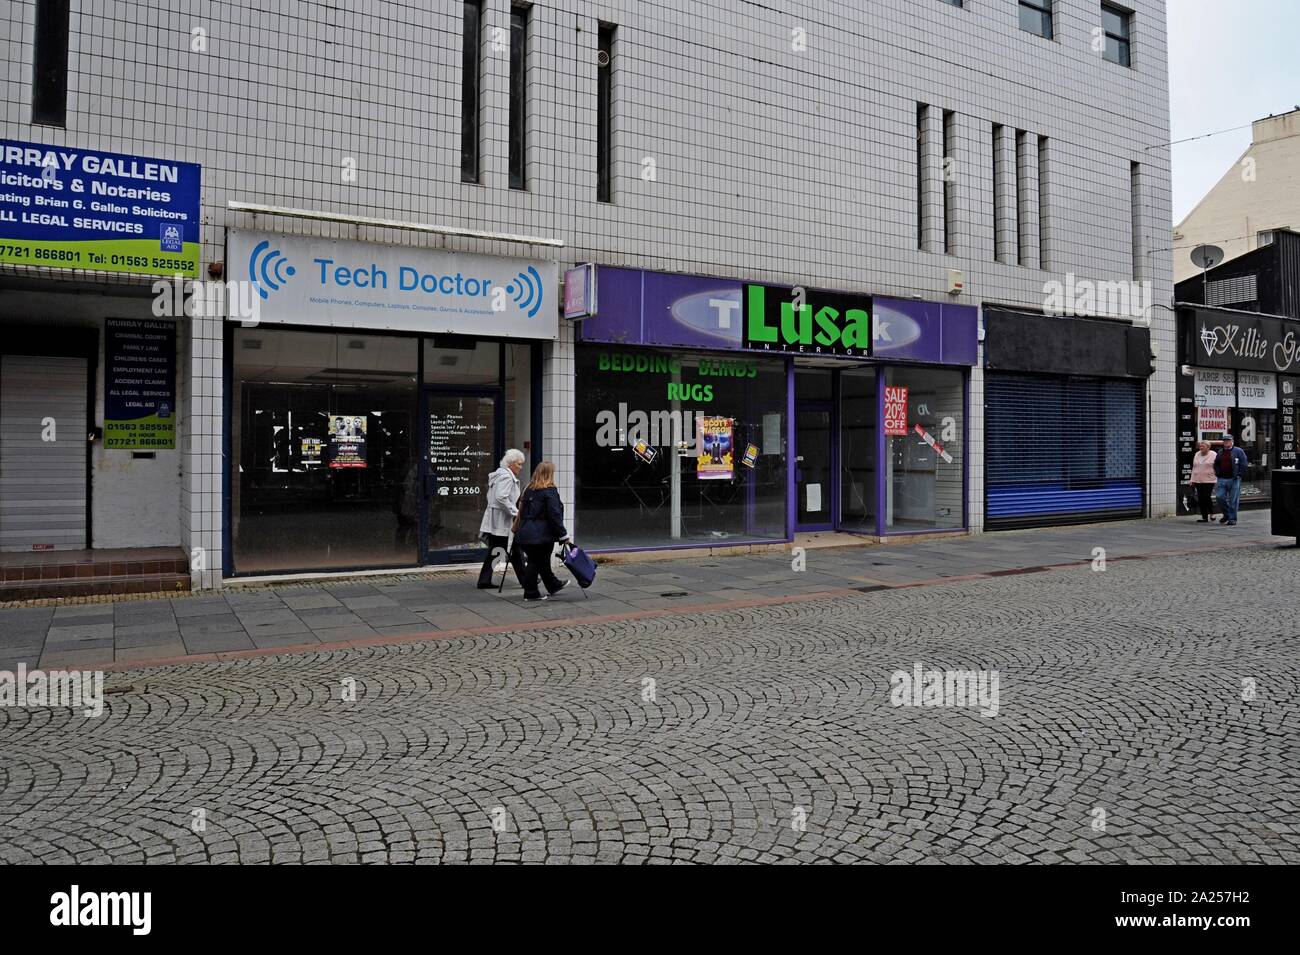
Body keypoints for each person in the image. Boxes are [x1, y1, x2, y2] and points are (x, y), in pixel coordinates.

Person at [514, 461, 572, 602]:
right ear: (549, 474)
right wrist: (563, 534)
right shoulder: (549, 491)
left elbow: (518, 506)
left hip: (524, 531)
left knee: (542, 560)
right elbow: (554, 514)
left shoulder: (528, 489)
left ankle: (553, 584)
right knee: (535, 562)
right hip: (541, 534)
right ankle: (531, 592)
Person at [477, 449, 528, 588]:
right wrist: (515, 512)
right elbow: (500, 497)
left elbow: (492, 497)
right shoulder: (506, 476)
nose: (521, 467)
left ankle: (484, 580)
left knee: (497, 550)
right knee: (515, 550)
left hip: (496, 521)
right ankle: (527, 581)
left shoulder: (499, 475)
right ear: (510, 464)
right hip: (502, 522)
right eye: (519, 464)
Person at [1213, 433, 1249, 526]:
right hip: (1221, 478)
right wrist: (1217, 472)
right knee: (1219, 497)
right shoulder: (1220, 451)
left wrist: (1239, 474)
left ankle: (1232, 519)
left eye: (1228, 440)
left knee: (1233, 500)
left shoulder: (1238, 451)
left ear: (1232, 441)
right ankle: (1227, 514)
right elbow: (1216, 463)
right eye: (1224, 441)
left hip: (1234, 479)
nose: (1226, 442)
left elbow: (1244, 463)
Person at [1189, 440, 1218, 523]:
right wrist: (1192, 479)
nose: (1200, 448)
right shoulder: (1197, 454)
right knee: (1201, 498)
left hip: (1209, 479)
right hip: (1198, 479)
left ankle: (1212, 512)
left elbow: (1217, 466)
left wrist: (1217, 474)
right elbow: (1194, 467)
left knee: (1206, 496)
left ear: (1208, 447)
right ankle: (1204, 517)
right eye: (1200, 446)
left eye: (1203, 446)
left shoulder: (1213, 454)